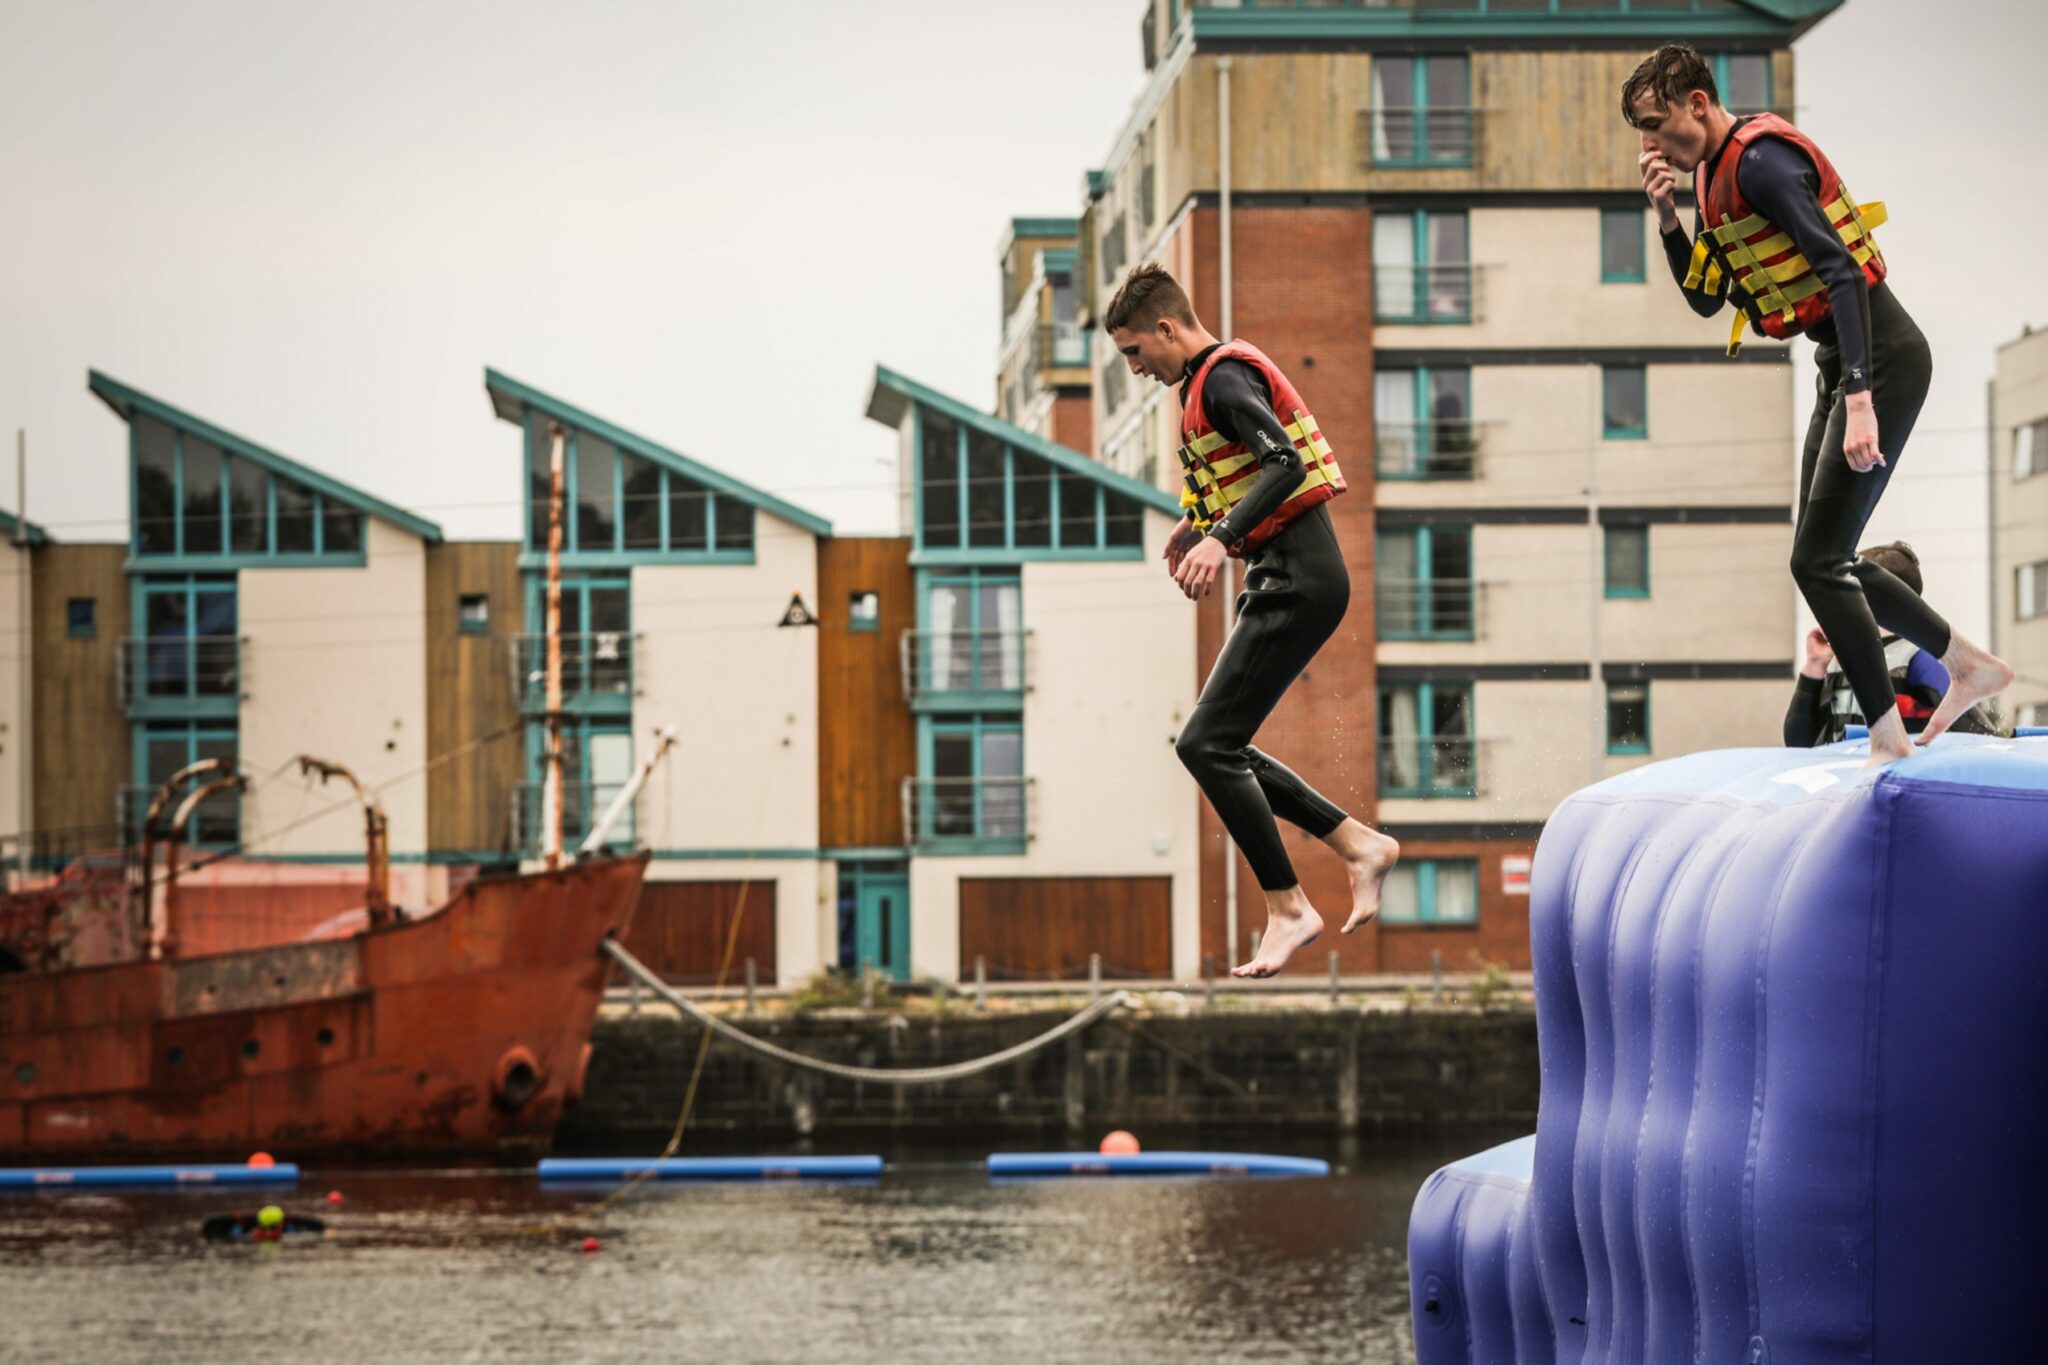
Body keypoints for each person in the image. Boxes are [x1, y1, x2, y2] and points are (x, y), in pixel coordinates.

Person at [1624, 43, 2011, 767]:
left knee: (1818, 559)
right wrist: (1669, 220)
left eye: (1657, 124)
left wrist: (1860, 396)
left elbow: (1838, 269)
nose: (1653, 144)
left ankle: (1890, 737)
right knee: (1822, 559)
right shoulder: (1710, 177)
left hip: (1882, 357)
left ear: (1698, 104)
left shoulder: (1762, 161)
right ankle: (1968, 665)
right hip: (1840, 363)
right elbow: (1708, 299)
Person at [1102, 263, 1399, 979]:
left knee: (1206, 743)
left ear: (1166, 329)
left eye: (1135, 352)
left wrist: (1218, 537)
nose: (1136, 368)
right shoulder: (1204, 386)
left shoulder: (1226, 378)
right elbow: (1243, 470)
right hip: (1285, 577)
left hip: (1300, 578)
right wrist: (1193, 521)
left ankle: (1290, 904)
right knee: (1216, 743)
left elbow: (1284, 463)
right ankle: (1359, 844)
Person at [1784, 541, 1999, 746]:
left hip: (1897, 778)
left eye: (1846, 589)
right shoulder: (1838, 660)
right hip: (1847, 778)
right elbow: (1798, 742)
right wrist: (1815, 664)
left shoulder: (1920, 658)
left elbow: (1979, 735)